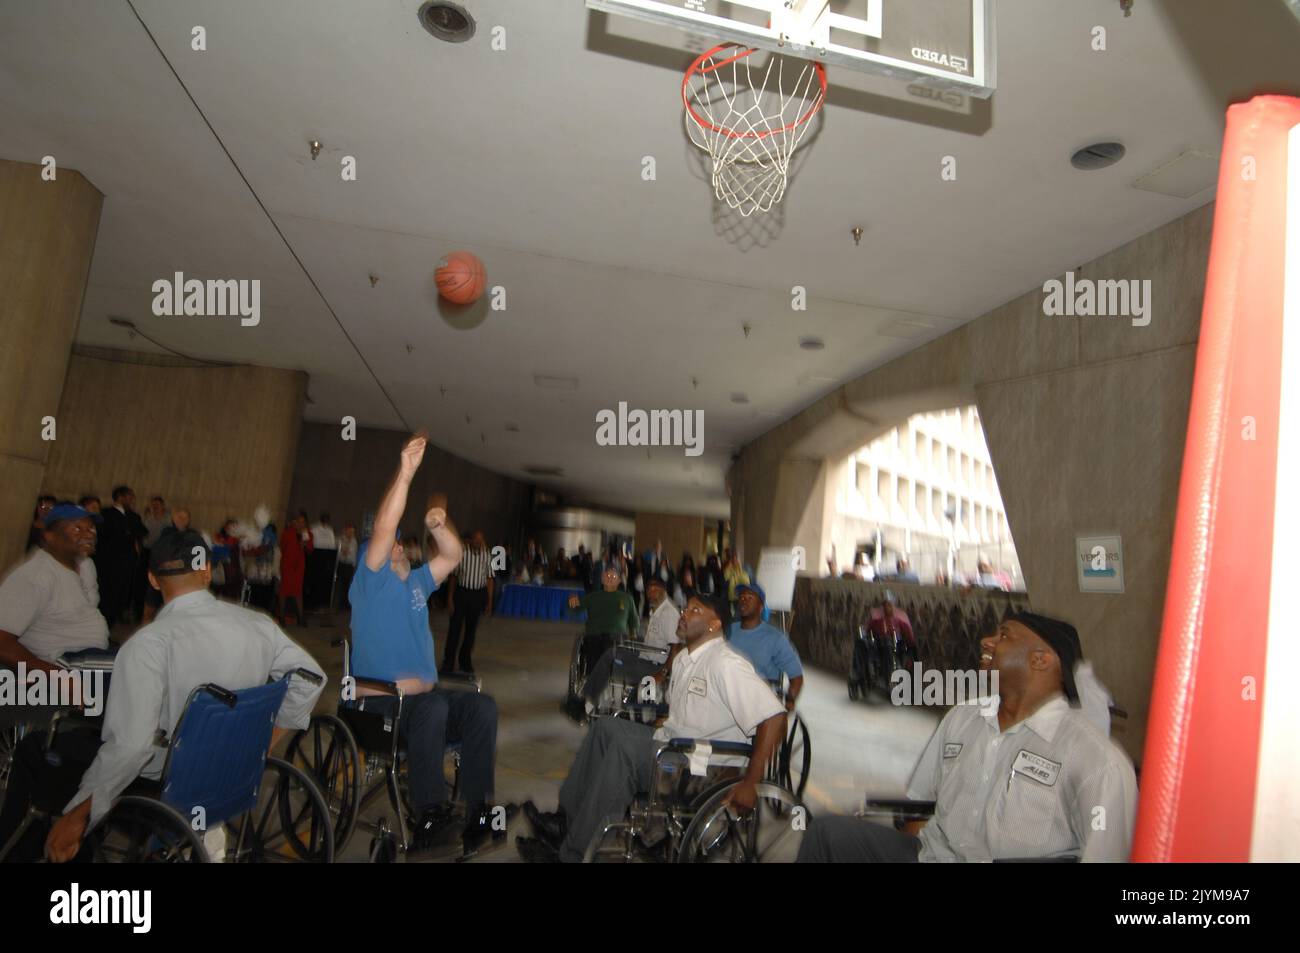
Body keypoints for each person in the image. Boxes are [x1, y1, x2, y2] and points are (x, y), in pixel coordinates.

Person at [0, 529, 326, 863]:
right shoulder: (259, 625)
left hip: (165, 789)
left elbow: (132, 748)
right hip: (232, 779)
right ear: (206, 570)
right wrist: (263, 743)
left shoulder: (148, 645)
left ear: (153, 580)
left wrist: (80, 814)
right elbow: (312, 678)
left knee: (36, 751)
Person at [797, 613, 1138, 863]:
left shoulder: (1095, 759)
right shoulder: (963, 718)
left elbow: (1107, 856)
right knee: (828, 835)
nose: (986, 641)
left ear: (1040, 660)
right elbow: (921, 806)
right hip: (933, 856)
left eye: (1004, 635)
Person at [517, 594, 786, 863]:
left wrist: (751, 782)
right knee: (605, 728)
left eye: (695, 610)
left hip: (699, 768)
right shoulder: (684, 659)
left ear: (714, 624)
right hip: (672, 746)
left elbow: (775, 717)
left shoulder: (726, 663)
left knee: (626, 753)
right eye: (685, 608)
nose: (684, 613)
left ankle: (573, 854)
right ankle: (566, 823)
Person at [346, 434, 502, 855]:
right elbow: (383, 527)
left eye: (401, 541)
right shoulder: (370, 583)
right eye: (390, 543)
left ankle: (477, 812)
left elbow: (452, 555)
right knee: (432, 707)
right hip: (381, 706)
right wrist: (406, 473)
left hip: (423, 706)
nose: (398, 544)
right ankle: (429, 816)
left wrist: (437, 524)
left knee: (482, 707)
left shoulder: (416, 582)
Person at [579, 575, 681, 714]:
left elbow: (676, 647)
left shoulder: (669, 613)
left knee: (610, 660)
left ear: (663, 589)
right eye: (648, 590)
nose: (651, 593)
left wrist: (662, 673)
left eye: (654, 589)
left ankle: (588, 699)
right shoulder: (657, 608)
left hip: (654, 666)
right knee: (613, 650)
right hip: (645, 655)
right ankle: (588, 696)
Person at [563, 565, 642, 721]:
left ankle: (593, 695)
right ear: (602, 579)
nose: (610, 578)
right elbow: (574, 609)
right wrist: (571, 601)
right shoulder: (593, 597)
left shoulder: (626, 598)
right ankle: (591, 695)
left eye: (613, 577)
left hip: (616, 638)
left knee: (612, 648)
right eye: (607, 576)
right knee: (596, 650)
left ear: (619, 581)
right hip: (594, 637)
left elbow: (634, 622)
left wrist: (633, 637)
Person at [728, 583, 803, 708]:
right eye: (741, 597)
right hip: (729, 695)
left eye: (750, 597)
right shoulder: (729, 631)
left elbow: (796, 676)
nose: (744, 600)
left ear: (761, 606)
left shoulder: (776, 638)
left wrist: (789, 701)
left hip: (760, 701)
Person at [443, 530, 495, 675]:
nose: (478, 542)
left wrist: (489, 602)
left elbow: (490, 580)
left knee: (471, 632)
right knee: (454, 629)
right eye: (475, 539)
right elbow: (453, 577)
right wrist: (450, 598)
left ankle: (465, 662)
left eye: (480, 540)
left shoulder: (487, 555)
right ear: (471, 540)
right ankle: (448, 663)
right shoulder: (462, 554)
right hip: (461, 594)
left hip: (477, 596)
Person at [278, 513, 312, 626]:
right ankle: (281, 617)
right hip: (287, 565)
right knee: (284, 590)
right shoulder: (288, 532)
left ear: (305, 523)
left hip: (299, 567)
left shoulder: (308, 534)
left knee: (298, 591)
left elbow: (310, 550)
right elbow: (282, 546)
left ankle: (300, 618)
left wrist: (305, 544)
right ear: (295, 522)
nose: (300, 524)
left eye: (303, 522)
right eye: (298, 521)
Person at [307, 512, 337, 612]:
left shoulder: (330, 530)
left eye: (327, 519)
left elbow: (332, 544)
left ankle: (321, 602)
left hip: (326, 556)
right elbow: (311, 542)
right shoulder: (314, 528)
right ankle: (311, 602)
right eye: (324, 518)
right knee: (314, 579)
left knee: (323, 580)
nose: (326, 520)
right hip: (315, 555)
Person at [335, 522, 358, 610]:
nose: (351, 533)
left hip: (349, 566)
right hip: (341, 564)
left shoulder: (354, 541)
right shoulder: (340, 539)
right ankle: (338, 604)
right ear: (345, 530)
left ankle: (345, 603)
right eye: (350, 531)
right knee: (339, 584)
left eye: (353, 532)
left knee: (347, 585)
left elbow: (353, 554)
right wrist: (343, 551)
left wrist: (354, 566)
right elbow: (338, 552)